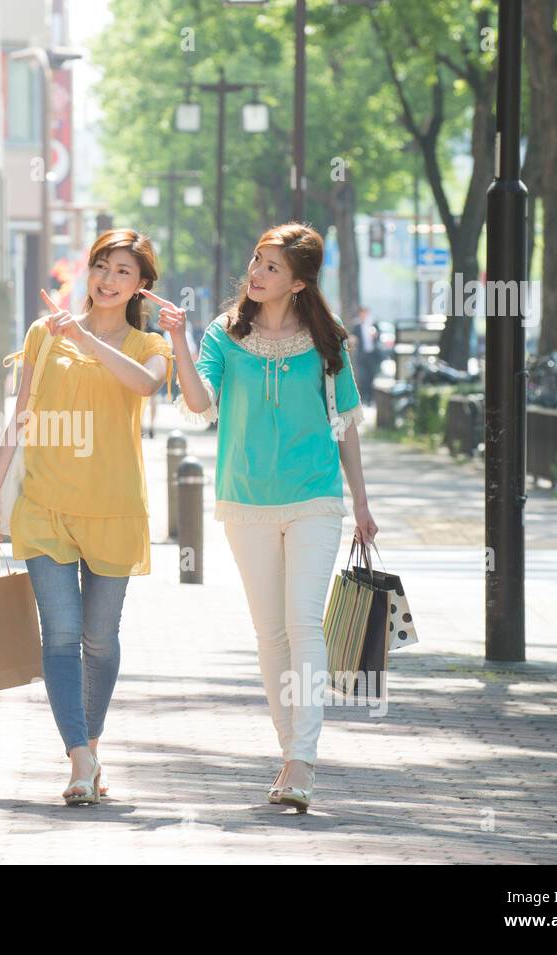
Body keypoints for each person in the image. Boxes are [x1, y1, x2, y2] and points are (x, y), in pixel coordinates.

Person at [166, 222, 378, 813]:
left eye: (271, 267)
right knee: (271, 635)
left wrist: (361, 502)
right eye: (256, 261)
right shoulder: (223, 336)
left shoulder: (327, 340)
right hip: (246, 501)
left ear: (300, 281)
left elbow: (345, 425)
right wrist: (180, 342)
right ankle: (290, 753)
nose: (256, 273)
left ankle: (301, 760)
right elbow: (200, 405)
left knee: (304, 626)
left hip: (314, 497)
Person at [0, 229, 174, 806]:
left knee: (100, 640)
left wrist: (85, 339)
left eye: (123, 273)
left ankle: (90, 741)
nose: (108, 281)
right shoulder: (44, 333)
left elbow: (144, 386)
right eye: (102, 268)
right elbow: (20, 416)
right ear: (88, 272)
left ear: (141, 286)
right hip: (44, 505)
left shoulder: (148, 345)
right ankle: (80, 758)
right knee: (60, 637)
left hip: (113, 507)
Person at [350, 305, 378, 405]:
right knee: (363, 376)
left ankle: (370, 398)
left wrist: (375, 335)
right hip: (361, 355)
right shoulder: (357, 325)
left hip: (371, 354)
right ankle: (364, 397)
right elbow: (353, 337)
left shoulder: (373, 324)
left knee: (371, 376)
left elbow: (378, 338)